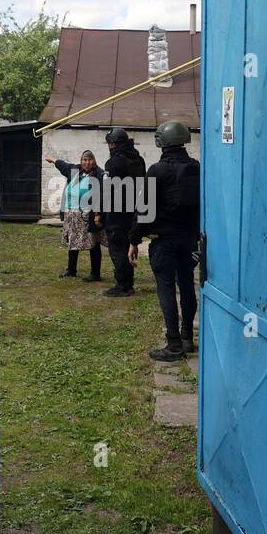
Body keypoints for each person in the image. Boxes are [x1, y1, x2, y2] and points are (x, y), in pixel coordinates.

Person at [128, 121, 200, 361]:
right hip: (189, 239)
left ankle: (173, 344)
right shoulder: (195, 167)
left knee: (166, 289)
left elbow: (145, 209)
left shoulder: (157, 170)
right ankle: (188, 337)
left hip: (164, 241)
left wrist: (134, 239)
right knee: (187, 285)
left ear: (162, 142)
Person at [99, 127, 146, 298]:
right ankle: (128, 283)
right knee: (128, 246)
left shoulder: (114, 163)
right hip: (133, 211)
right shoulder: (138, 160)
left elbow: (105, 190)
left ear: (112, 143)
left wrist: (100, 213)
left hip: (116, 213)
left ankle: (123, 286)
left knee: (117, 249)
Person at [47, 150, 103, 281]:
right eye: (84, 159)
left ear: (94, 161)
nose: (87, 162)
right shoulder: (75, 170)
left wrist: (98, 214)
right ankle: (71, 270)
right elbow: (63, 165)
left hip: (88, 214)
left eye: (90, 159)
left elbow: (101, 195)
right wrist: (53, 160)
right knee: (73, 241)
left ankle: (95, 273)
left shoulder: (99, 175)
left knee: (93, 243)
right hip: (72, 214)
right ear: (81, 160)